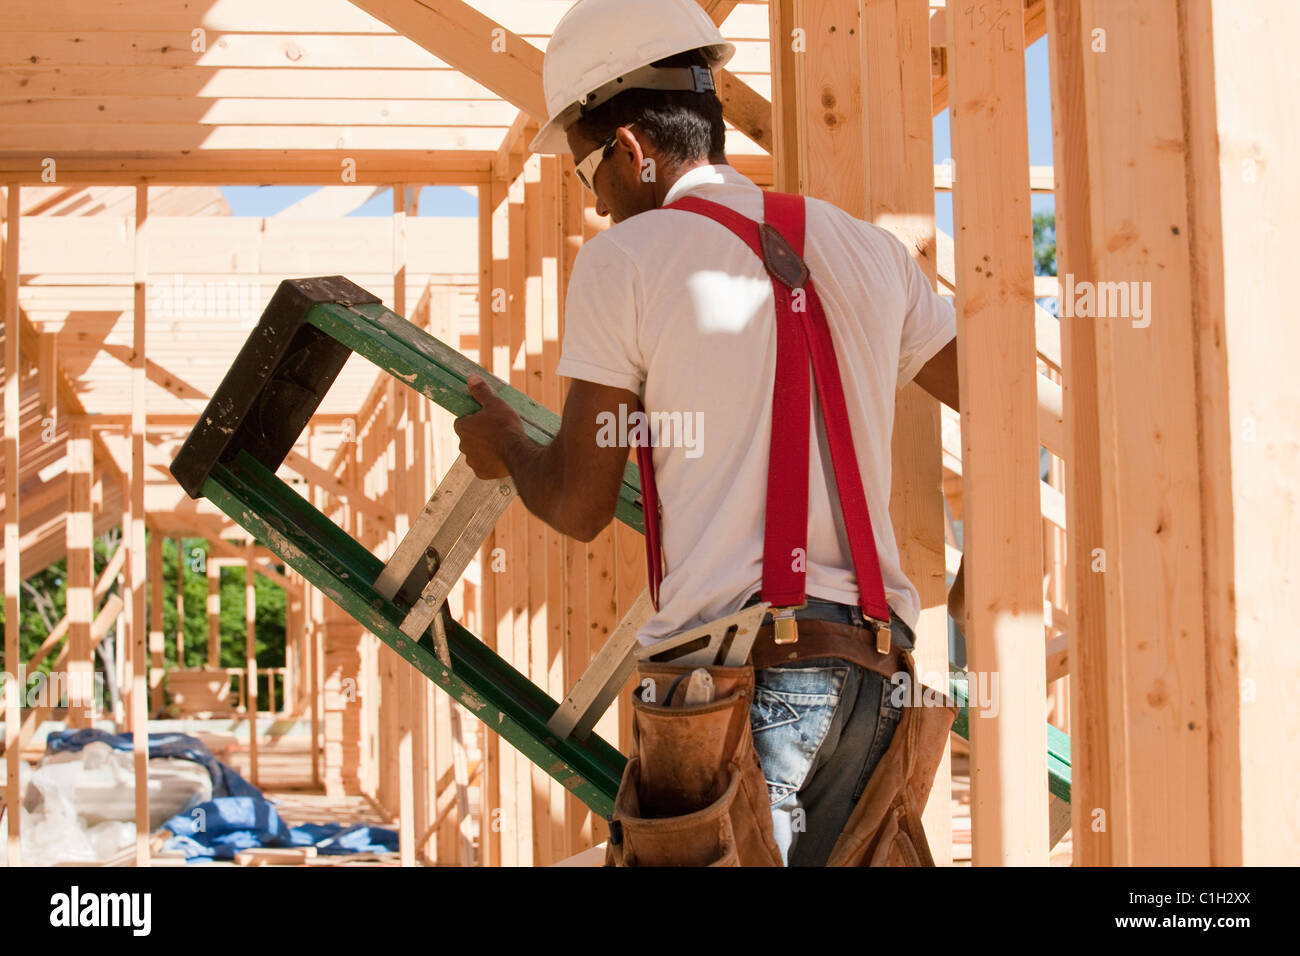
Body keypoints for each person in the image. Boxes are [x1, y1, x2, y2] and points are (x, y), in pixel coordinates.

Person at [453, 0, 962, 866]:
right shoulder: (870, 252)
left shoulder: (629, 261)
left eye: (588, 176)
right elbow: (995, 391)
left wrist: (506, 444)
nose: (597, 204)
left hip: (740, 683)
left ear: (631, 150)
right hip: (881, 677)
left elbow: (578, 501)